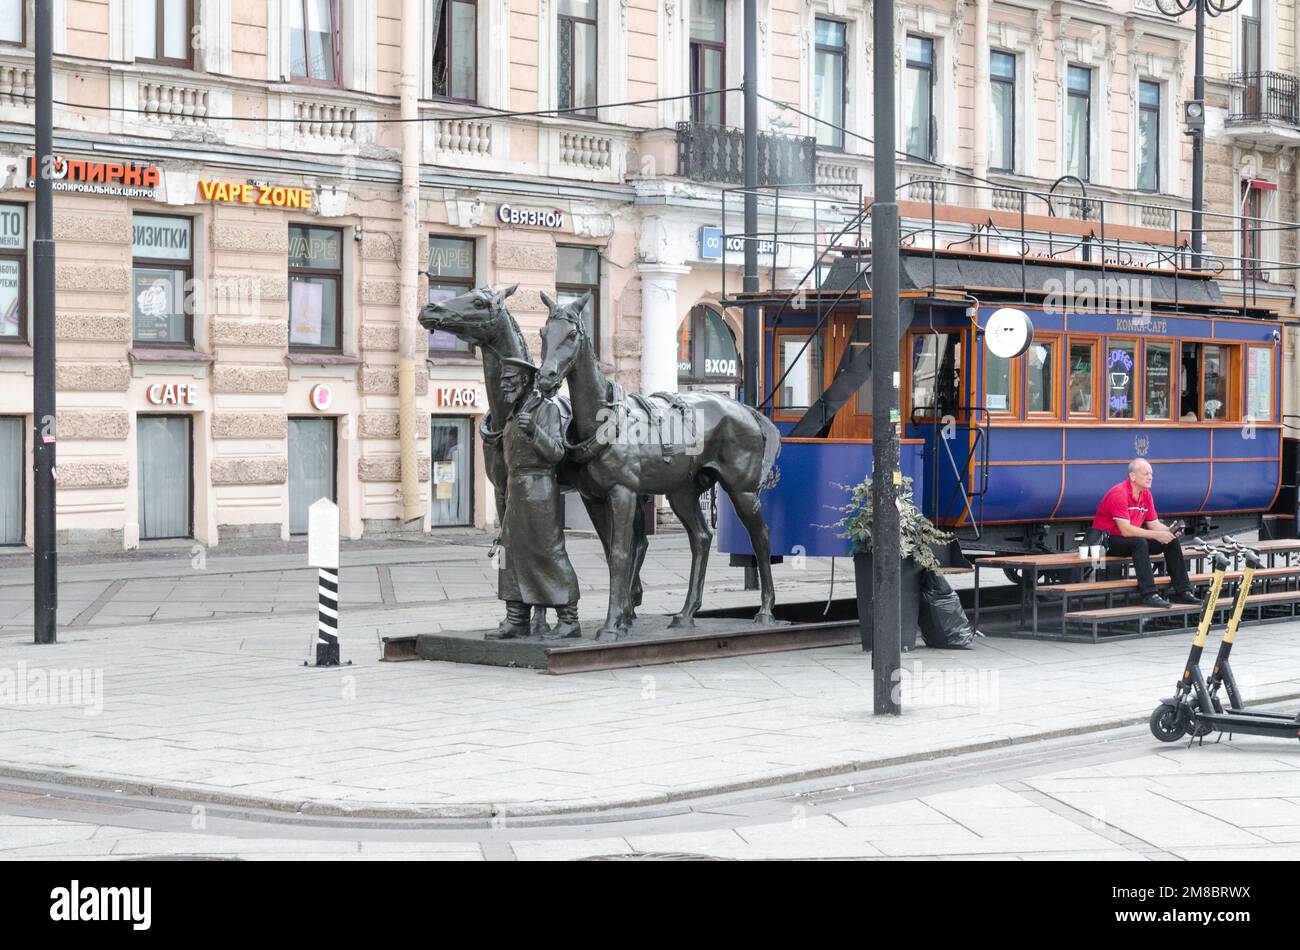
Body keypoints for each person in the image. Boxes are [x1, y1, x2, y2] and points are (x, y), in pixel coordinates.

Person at [485, 357, 581, 640]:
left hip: (539, 490)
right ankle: (516, 618)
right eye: (503, 379)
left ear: (525, 380)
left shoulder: (546, 410)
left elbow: (556, 453)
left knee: (548, 552)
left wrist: (534, 431)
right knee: (509, 553)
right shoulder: (513, 413)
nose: (504, 384)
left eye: (509, 378)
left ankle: (568, 619)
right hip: (516, 491)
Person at [1092, 458, 1198, 609]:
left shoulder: (1145, 494)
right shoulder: (1119, 493)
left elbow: (1153, 524)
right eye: (1146, 473)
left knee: (1171, 541)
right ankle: (1149, 595)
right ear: (1132, 476)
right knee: (1139, 543)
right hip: (1106, 541)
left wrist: (1168, 531)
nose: (1150, 477)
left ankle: (1183, 592)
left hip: (1129, 539)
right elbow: (1125, 530)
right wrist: (1156, 535)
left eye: (1151, 474)